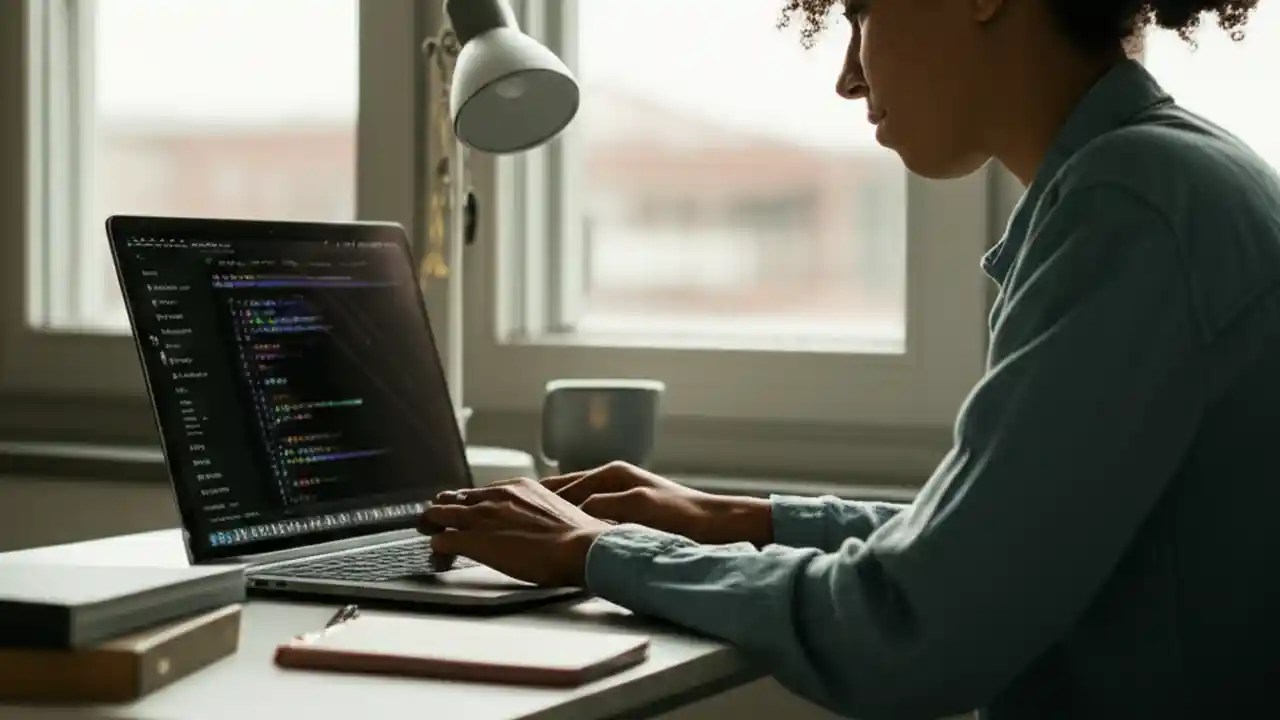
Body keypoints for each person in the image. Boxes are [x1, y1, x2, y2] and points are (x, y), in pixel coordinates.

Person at [420, 0, 1280, 716]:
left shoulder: (1128, 211)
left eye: (861, 10)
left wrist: (597, 552)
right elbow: (984, 546)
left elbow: (914, 625)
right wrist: (739, 517)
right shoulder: (1167, 177)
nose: (847, 75)